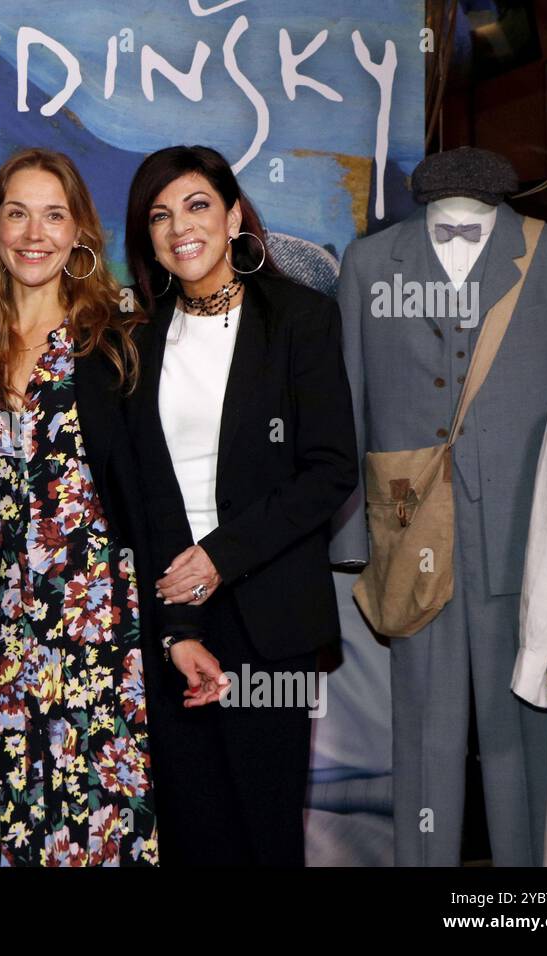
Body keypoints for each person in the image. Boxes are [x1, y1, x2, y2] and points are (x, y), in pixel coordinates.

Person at [121, 144, 358, 865]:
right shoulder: (137, 339)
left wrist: (219, 559)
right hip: (171, 613)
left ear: (232, 217)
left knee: (265, 834)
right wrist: (178, 621)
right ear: (147, 239)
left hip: (269, 614)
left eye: (197, 205)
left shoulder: (299, 318)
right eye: (159, 216)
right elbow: (142, 489)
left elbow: (330, 469)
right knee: (192, 835)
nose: (179, 227)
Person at [0, 148, 159, 867]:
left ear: (79, 234)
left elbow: (153, 492)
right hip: (1, 627)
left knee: (101, 816)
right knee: (15, 815)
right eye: (17, 214)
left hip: (100, 621)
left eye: (53, 216)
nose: (34, 234)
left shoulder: (117, 344)